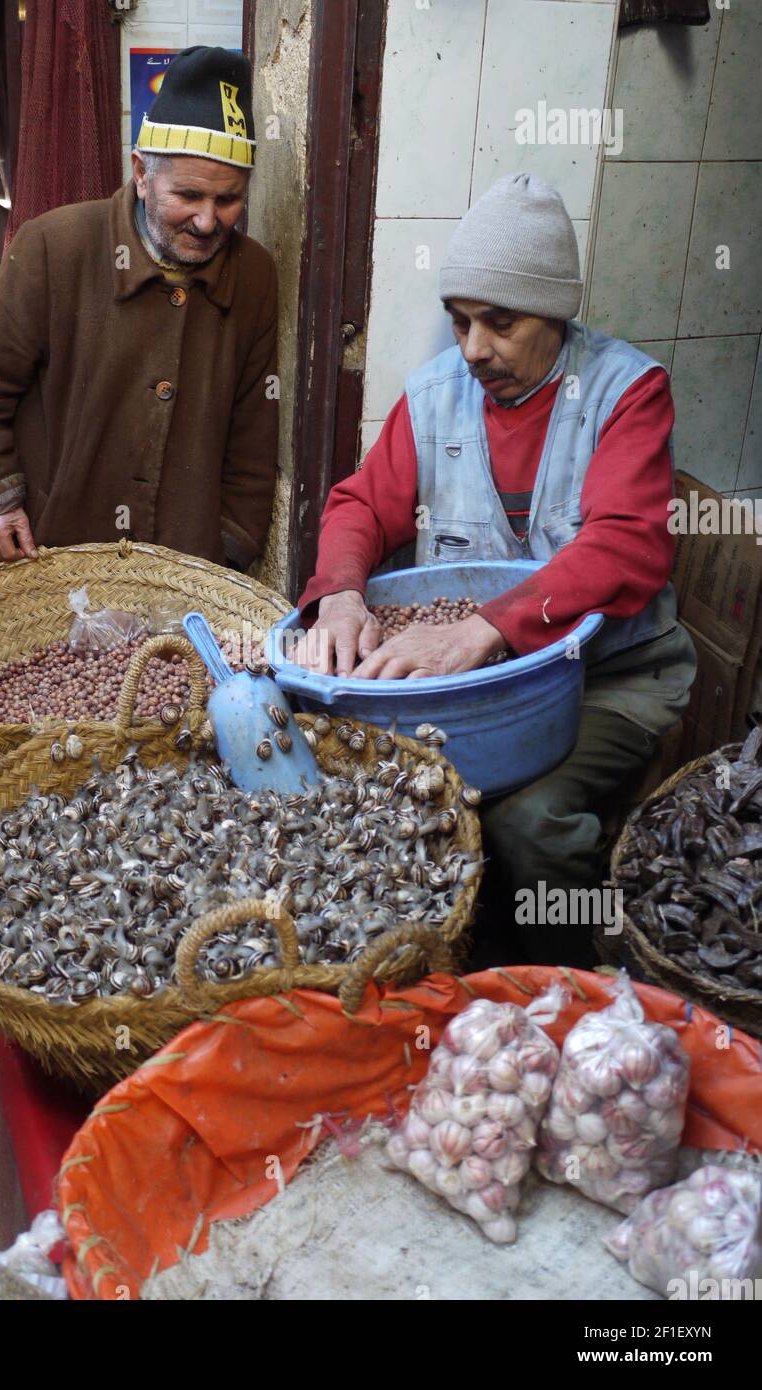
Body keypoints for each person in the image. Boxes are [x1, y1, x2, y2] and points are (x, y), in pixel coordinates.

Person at [295, 172, 696, 968]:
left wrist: (484, 627)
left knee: (525, 823)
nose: (474, 348)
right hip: (480, 694)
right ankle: (445, 977)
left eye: (499, 323)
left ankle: (569, 989)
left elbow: (625, 543)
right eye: (459, 321)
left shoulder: (625, 392)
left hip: (607, 678)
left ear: (554, 312)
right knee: (369, 790)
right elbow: (360, 507)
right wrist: (339, 595)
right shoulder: (437, 394)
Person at [0, 46, 278, 578]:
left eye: (229, 200)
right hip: (44, 551)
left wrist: (230, 545)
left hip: (179, 561)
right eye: (188, 195)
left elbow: (254, 429)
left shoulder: (253, 274)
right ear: (142, 174)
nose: (209, 221)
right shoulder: (56, 247)